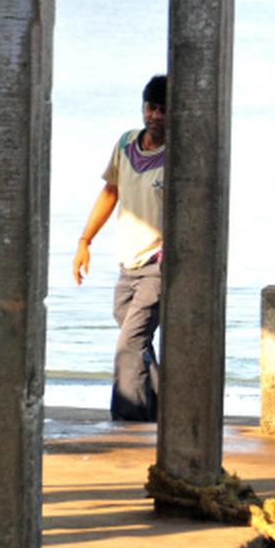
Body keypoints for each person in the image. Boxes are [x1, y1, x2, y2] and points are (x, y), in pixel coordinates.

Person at [72, 75, 167, 422]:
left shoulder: (180, 155)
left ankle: (130, 418)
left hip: (158, 265)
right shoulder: (127, 143)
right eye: (150, 107)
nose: (155, 115)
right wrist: (85, 241)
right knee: (132, 335)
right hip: (127, 263)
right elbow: (110, 192)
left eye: (163, 110)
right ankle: (163, 404)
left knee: (130, 343)